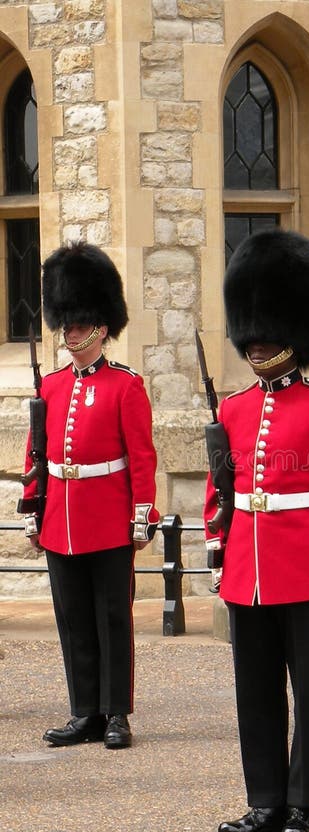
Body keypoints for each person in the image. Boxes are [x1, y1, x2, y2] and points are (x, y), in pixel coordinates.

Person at [204, 229, 309, 832]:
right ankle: (265, 801)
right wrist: (220, 557)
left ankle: (305, 805)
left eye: (268, 331)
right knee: (255, 693)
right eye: (252, 332)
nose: (258, 344)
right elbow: (222, 495)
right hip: (248, 568)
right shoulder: (235, 409)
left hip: (305, 568)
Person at [21, 242, 160, 750]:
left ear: (100, 326)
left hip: (108, 519)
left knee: (112, 618)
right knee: (73, 618)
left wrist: (142, 515)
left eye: (79, 324)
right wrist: (34, 510)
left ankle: (116, 712)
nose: (70, 332)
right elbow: (36, 455)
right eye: (67, 324)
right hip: (61, 517)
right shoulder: (52, 387)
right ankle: (84, 711)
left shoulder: (125, 386)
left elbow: (141, 458)